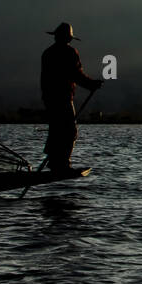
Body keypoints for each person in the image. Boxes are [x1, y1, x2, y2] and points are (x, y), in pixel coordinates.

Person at [41, 22, 102, 172]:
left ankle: (55, 162)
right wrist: (92, 84)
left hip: (50, 98)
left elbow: (46, 79)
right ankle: (62, 163)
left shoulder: (48, 53)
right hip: (63, 98)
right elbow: (76, 75)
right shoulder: (69, 53)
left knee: (56, 130)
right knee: (69, 131)